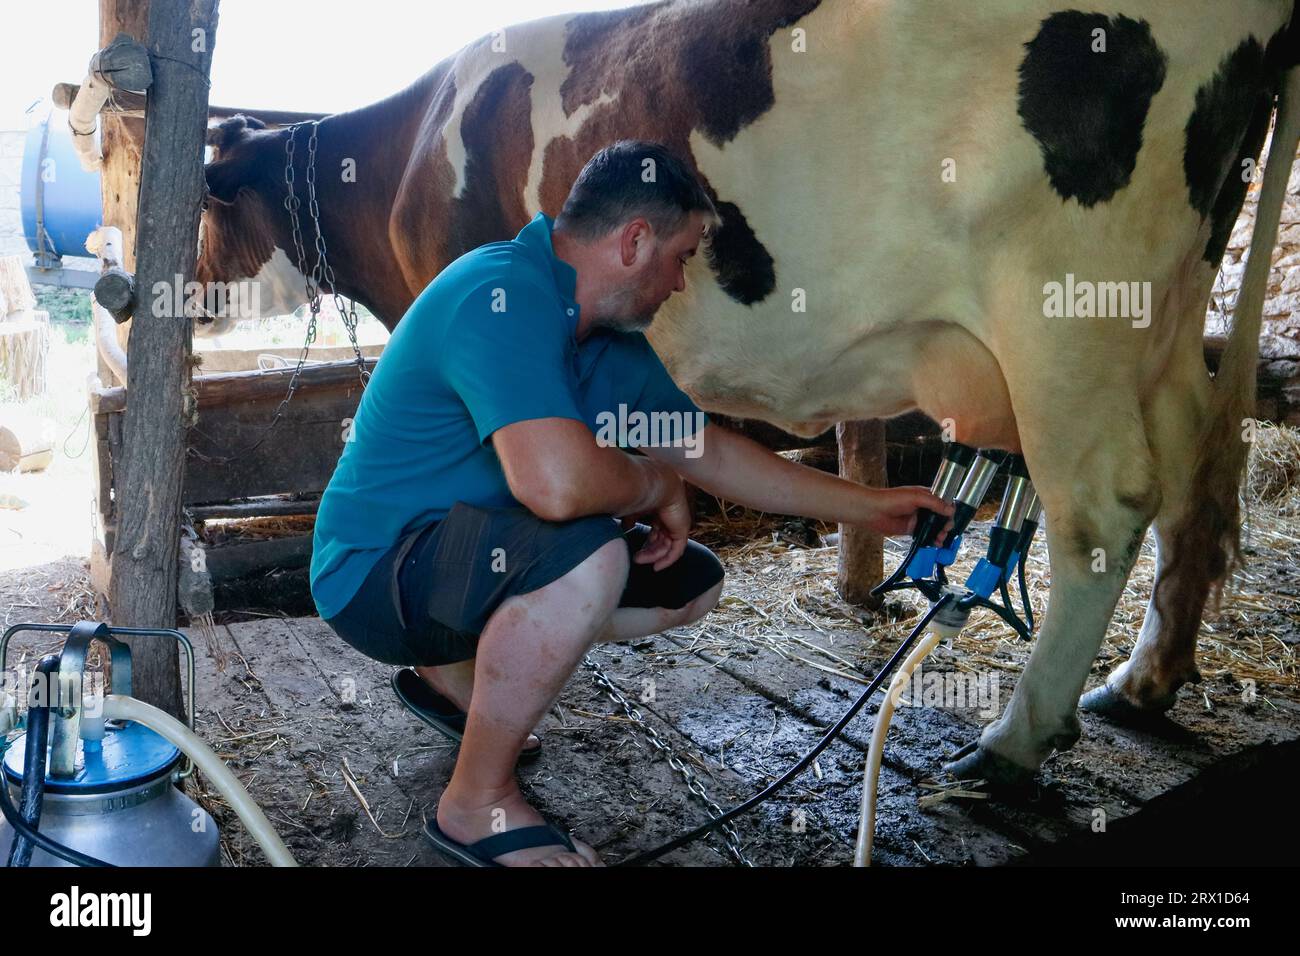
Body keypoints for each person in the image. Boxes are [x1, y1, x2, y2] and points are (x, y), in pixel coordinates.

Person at [310, 140, 954, 867]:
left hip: (456, 565)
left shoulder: (609, 346)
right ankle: (474, 804)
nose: (681, 283)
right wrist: (655, 483)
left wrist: (873, 507)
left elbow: (709, 450)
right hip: (373, 575)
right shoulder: (500, 291)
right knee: (586, 556)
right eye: (682, 257)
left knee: (691, 582)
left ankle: (452, 680)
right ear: (635, 240)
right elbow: (554, 485)